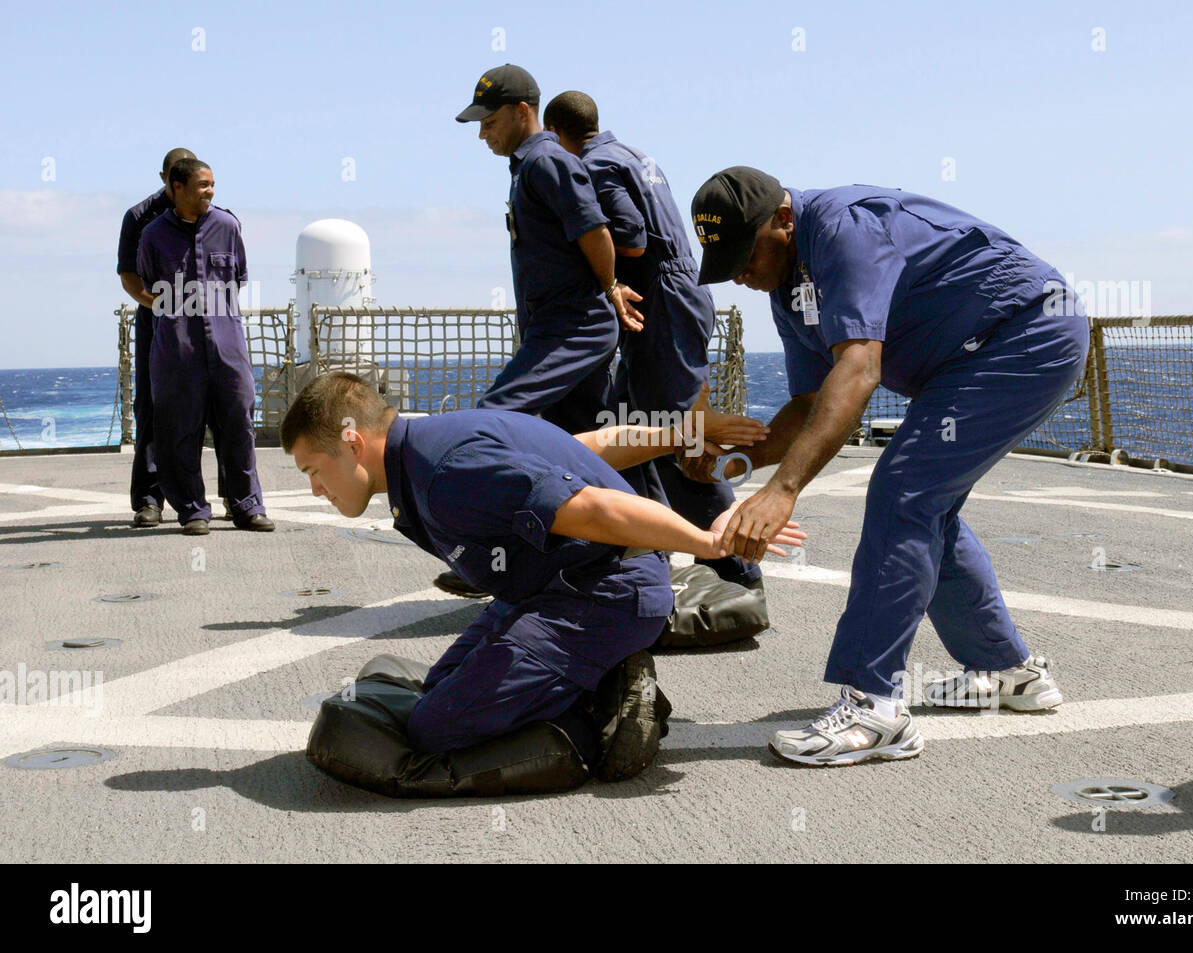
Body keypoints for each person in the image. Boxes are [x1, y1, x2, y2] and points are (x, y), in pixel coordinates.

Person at [689, 167, 1089, 766]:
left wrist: (782, 490)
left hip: (1026, 333)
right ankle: (1009, 672)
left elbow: (858, 372)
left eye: (747, 255)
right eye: (729, 265)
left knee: (904, 490)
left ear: (784, 218)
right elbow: (809, 402)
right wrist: (736, 461)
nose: (743, 274)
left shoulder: (846, 231)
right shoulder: (788, 285)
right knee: (925, 504)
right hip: (963, 359)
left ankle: (875, 708)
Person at [280, 372, 802, 778]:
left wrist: (708, 542)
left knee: (438, 727)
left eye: (313, 471)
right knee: (439, 689)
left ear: (351, 443)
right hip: (547, 589)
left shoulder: (446, 473)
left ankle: (608, 706)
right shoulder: (433, 441)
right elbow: (590, 447)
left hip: (603, 595)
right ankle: (595, 674)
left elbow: (597, 508)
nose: (315, 491)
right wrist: (684, 434)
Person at [542, 90, 765, 590]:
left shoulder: (596, 166)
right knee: (632, 432)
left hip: (662, 304)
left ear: (557, 134)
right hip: (678, 295)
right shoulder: (636, 156)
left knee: (676, 438)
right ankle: (646, 558)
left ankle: (737, 573)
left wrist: (580, 240)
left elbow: (631, 235)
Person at [443, 64, 638, 598]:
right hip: (557, 330)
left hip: (571, 328)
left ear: (521, 112)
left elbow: (596, 233)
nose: (483, 132)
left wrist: (611, 287)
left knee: (491, 424)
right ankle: (608, 558)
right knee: (581, 450)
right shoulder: (527, 166)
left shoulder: (547, 160)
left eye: (489, 121)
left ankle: (488, 555)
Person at [136, 158, 274, 535]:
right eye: (202, 185)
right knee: (181, 431)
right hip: (178, 350)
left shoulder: (228, 227)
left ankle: (248, 506)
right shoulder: (152, 235)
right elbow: (147, 281)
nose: (210, 191)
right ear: (176, 188)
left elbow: (239, 277)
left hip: (228, 347)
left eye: (212, 184)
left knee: (238, 425)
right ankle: (193, 511)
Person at [116, 148, 229, 527]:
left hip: (208, 326)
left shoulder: (216, 218)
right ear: (167, 178)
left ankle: (235, 497)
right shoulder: (139, 218)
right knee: (153, 408)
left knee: (222, 408)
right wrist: (160, 307)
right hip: (158, 325)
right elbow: (130, 276)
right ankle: (150, 500)